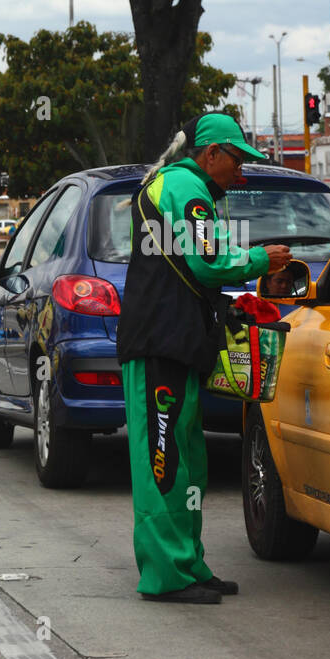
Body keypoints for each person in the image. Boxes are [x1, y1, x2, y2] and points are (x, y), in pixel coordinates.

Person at [116, 113, 293, 605]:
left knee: (189, 463)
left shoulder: (191, 190)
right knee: (164, 463)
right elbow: (207, 261)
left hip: (179, 342)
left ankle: (189, 563)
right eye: (237, 160)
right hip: (159, 345)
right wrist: (261, 260)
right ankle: (165, 576)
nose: (242, 173)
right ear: (210, 153)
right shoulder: (185, 190)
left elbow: (191, 271)